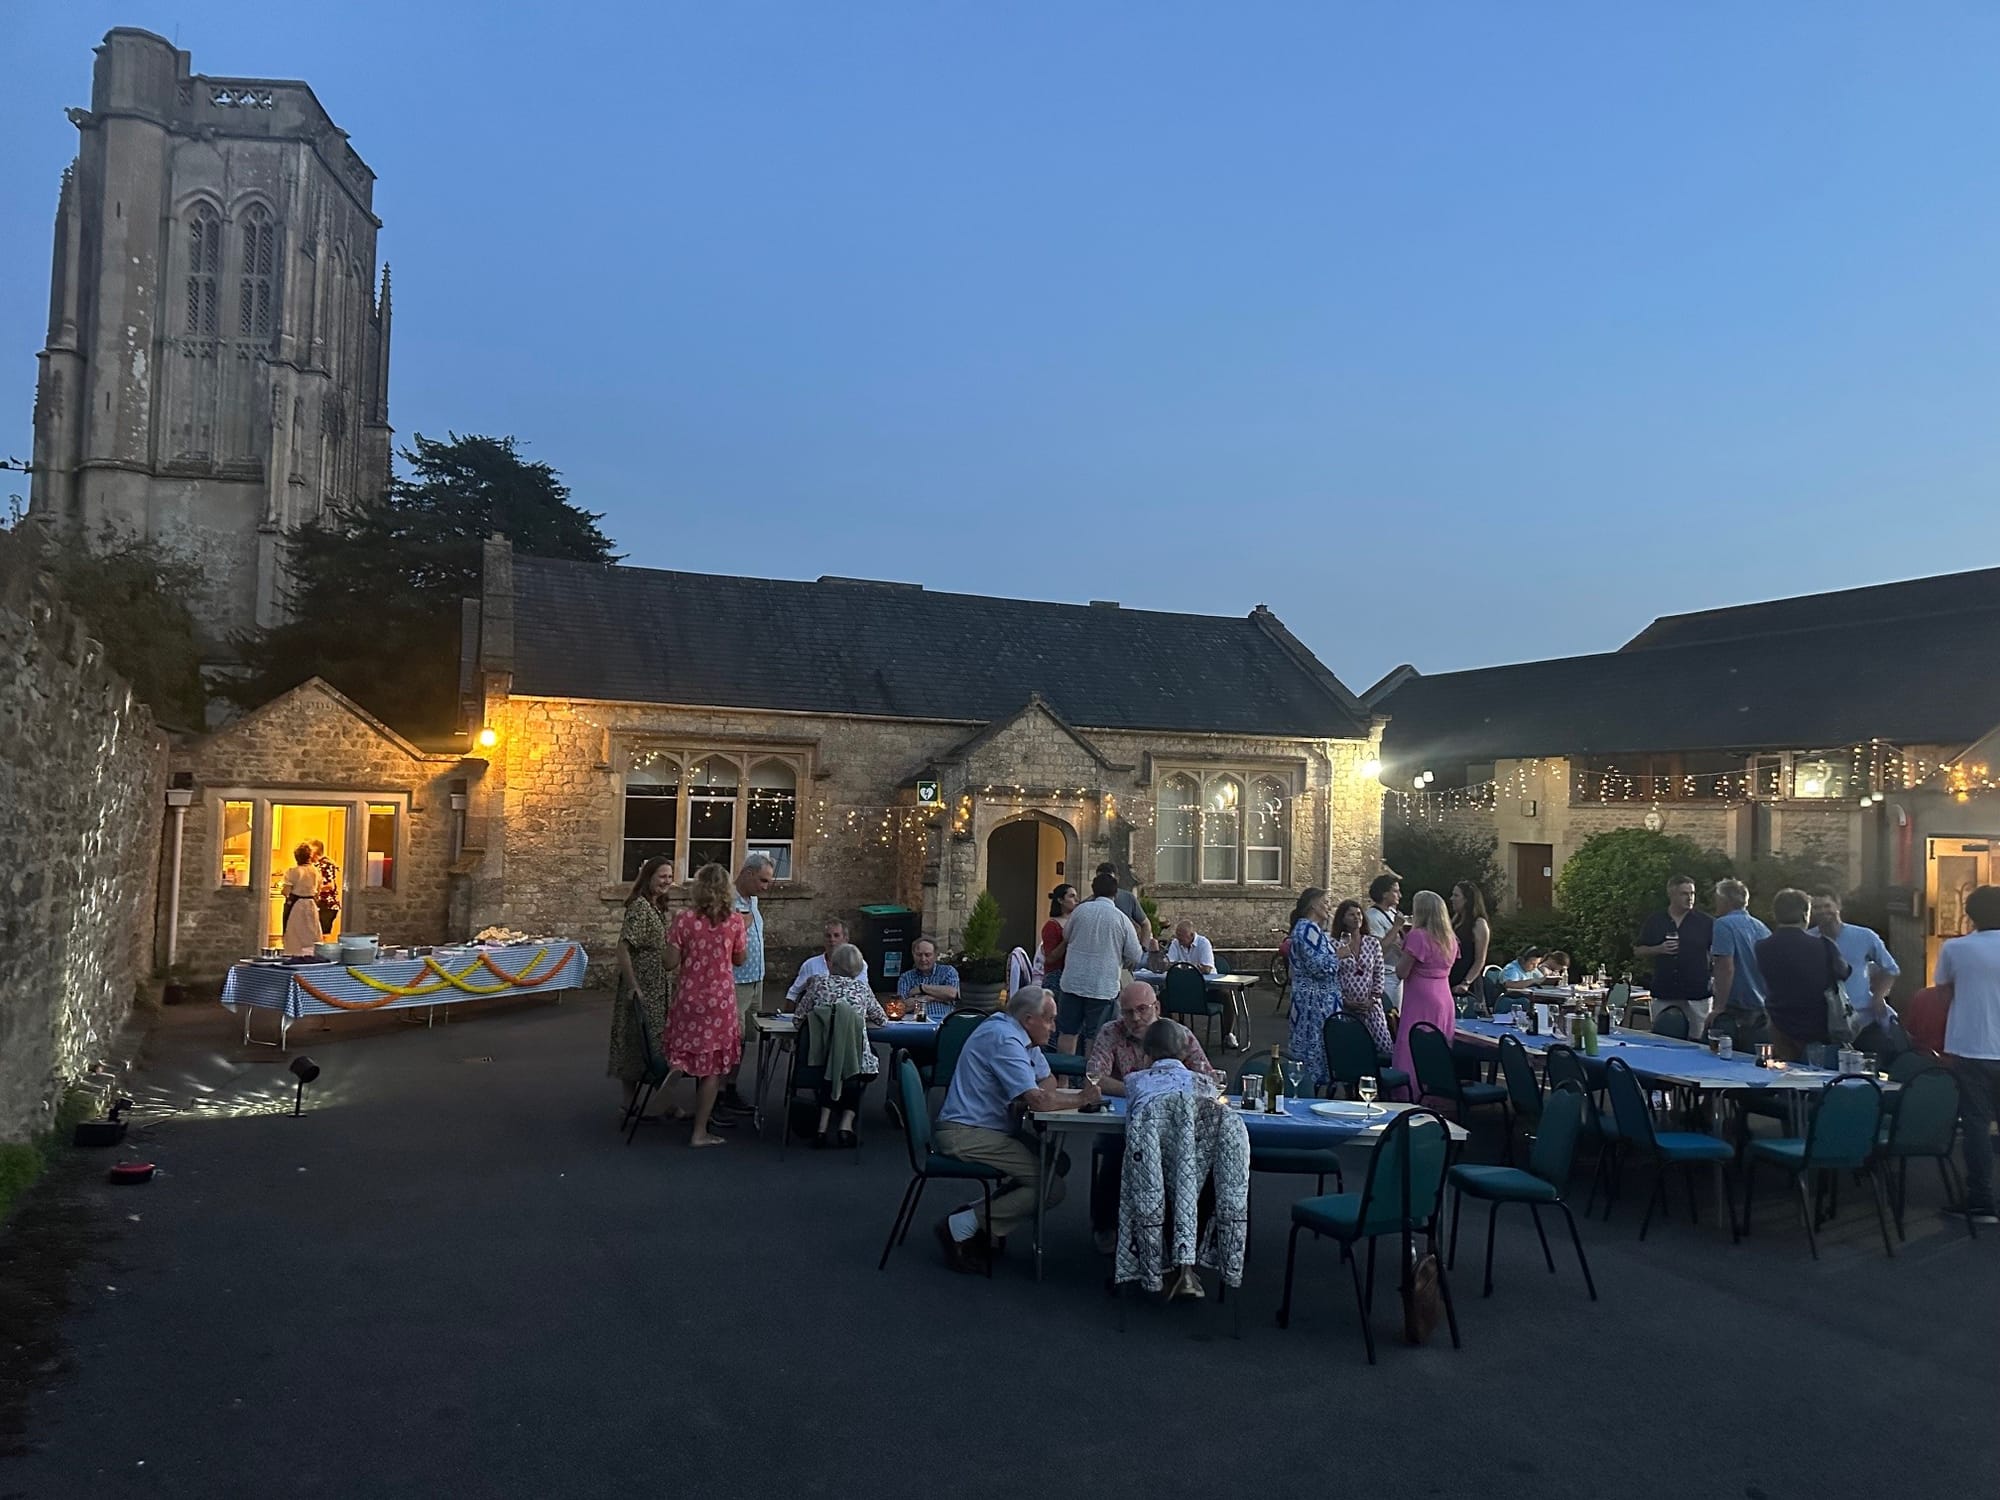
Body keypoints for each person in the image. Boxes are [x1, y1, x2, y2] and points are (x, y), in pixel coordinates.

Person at [934, 987, 1100, 1273]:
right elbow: (1039, 1099)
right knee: (1052, 1188)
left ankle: (976, 1215)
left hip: (987, 1129)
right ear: (1028, 1019)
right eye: (1049, 1020)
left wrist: (1033, 1096)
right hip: (967, 1132)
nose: (1054, 1027)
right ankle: (962, 1225)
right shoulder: (1004, 1039)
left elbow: (1045, 1082)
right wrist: (1081, 1099)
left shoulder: (1023, 1038)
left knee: (1058, 1162)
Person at [1084, 981, 1216, 1250]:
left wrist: (1147, 1090)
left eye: (1142, 1010)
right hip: (1124, 1123)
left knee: (1206, 1160)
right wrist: (1146, 1090)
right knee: (1117, 1150)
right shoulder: (1111, 1032)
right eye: (1128, 1012)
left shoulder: (1178, 1034)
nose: (1135, 1018)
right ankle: (1106, 1226)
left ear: (1157, 1007)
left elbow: (1208, 1079)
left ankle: (1197, 1237)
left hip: (1173, 1125)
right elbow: (1094, 1079)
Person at [663, 863, 749, 1147]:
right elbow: (739, 959)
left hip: (689, 995)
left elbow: (669, 963)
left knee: (687, 1046)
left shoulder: (684, 919)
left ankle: (678, 1066)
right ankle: (700, 1131)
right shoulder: (735, 921)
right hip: (720, 999)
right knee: (712, 1067)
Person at [1937, 884, 2000, 1225]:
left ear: (1969, 914)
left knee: (1976, 1124)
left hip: (1971, 1044)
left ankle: (1981, 1201)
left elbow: (1944, 991)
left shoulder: (1956, 949)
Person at [791, 942, 887, 1148]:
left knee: (832, 1064)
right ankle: (846, 1125)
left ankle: (822, 1127)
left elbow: (798, 1017)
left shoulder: (817, 984)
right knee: (856, 1062)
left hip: (816, 1059)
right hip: (853, 1063)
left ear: (832, 964)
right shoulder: (862, 989)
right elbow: (882, 1019)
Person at [609, 855, 675, 1118]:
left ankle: (635, 1103)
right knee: (643, 1043)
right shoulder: (639, 907)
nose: (667, 882)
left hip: (658, 986)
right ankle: (659, 1103)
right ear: (649, 877)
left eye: (670, 877)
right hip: (643, 987)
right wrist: (633, 985)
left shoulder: (655, 907)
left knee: (646, 1043)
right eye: (662, 876)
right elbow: (623, 947)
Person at [1755, 888, 1849, 1062]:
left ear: (1776, 915)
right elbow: (1843, 972)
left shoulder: (1762, 947)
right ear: (1805, 914)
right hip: (1818, 1026)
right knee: (1816, 1077)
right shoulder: (1824, 946)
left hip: (1779, 1023)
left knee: (1783, 1078)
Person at [1055, 871, 1143, 1055]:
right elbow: (1135, 954)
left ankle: (1063, 1078)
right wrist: (1123, 961)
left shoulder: (1079, 911)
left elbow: (1066, 936)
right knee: (1095, 1037)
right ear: (1115, 893)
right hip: (1102, 986)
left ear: (1093, 891)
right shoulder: (1121, 919)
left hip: (1073, 981)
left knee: (1067, 1033)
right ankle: (1091, 1078)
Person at [1384, 890, 1457, 1095]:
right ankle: (1436, 1092)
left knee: (1412, 1042)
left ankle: (1410, 1093)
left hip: (1421, 996)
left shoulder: (1418, 936)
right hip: (1443, 994)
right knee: (1437, 1045)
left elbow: (1402, 971)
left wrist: (1402, 954)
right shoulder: (1450, 938)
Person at [721, 854, 776, 1114]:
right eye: (763, 880)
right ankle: (718, 1091)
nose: (765, 887)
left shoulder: (751, 900)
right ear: (748, 873)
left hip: (755, 978)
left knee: (743, 1039)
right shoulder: (727, 900)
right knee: (730, 1037)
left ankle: (729, 1087)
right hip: (735, 980)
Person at [1811, 891, 1901, 1050]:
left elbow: (1891, 969)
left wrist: (1879, 996)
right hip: (1825, 1023)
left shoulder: (1864, 936)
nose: (1823, 911)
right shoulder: (1809, 940)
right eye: (1817, 907)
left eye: (1827, 906)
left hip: (1863, 1020)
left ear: (1838, 906)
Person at [1634, 875, 1716, 1031]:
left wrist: (1714, 977)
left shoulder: (1706, 922)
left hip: (1697, 992)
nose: (1690, 898)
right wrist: (1658, 949)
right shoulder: (1656, 920)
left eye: (1692, 893)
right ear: (1671, 894)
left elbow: (1718, 953)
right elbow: (1638, 950)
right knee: (1663, 1036)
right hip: (1665, 990)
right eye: (1684, 894)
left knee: (1698, 1039)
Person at [1285, 888, 1343, 1086]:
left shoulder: (1310, 929)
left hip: (1315, 1001)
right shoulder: (1307, 929)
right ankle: (1309, 1089)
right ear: (1313, 904)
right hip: (1314, 1004)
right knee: (1313, 1049)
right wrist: (1339, 956)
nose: (1329, 906)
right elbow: (1319, 967)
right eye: (1325, 902)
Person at [1707, 878, 1770, 1042]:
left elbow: (1725, 967)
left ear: (1724, 900)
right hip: (1761, 1007)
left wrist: (1718, 1007)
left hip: (1734, 1008)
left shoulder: (1723, 925)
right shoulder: (1762, 928)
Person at [1162, 917, 1238, 1049]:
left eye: (1181, 937)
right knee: (1162, 997)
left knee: (1226, 995)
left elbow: (1207, 968)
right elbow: (1168, 964)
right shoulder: (1176, 943)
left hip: (1207, 990)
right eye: (1177, 936)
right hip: (1183, 989)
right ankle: (1171, 1035)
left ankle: (1228, 1034)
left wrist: (1184, 967)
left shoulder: (1204, 943)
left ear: (1191, 935)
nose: (1179, 940)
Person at [1331, 898, 1392, 1061]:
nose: (1357, 917)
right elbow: (1332, 976)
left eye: (1359, 914)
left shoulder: (1372, 943)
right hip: (1346, 1007)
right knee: (1352, 1051)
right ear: (1342, 919)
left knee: (1384, 1047)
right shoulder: (1335, 945)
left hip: (1370, 1006)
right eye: (1351, 915)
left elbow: (1379, 973)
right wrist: (1344, 1001)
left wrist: (1373, 998)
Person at [783, 917, 870, 1009]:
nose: (832, 940)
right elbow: (793, 993)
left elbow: (864, 993)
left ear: (846, 939)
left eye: (836, 935)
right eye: (828, 936)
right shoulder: (810, 965)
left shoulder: (858, 964)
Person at [1365, 873, 1404, 1019]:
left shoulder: (1393, 912)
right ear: (1384, 894)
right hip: (1385, 975)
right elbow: (1378, 950)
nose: (1399, 895)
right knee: (1389, 1017)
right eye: (1395, 891)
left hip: (1397, 972)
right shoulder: (1373, 916)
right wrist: (1396, 928)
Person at [1041, 882, 1078, 1019]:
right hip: (1055, 976)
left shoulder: (1074, 920)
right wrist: (1066, 940)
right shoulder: (1052, 925)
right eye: (1071, 896)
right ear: (1061, 900)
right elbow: (1050, 957)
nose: (1075, 900)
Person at [1096, 860, 1154, 949]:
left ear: (1117, 879)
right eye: (1100, 879)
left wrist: (1143, 949)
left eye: (1109, 879)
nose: (1105, 883)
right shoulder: (1089, 903)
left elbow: (1146, 924)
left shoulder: (1128, 898)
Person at [1448, 881, 1491, 1000]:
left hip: (1467, 981)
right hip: (1450, 978)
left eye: (1456, 895)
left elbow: (1480, 959)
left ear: (1467, 899)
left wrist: (1466, 982)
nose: (1452, 899)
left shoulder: (1479, 924)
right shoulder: (1455, 920)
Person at [280, 844, 321, 955]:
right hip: (311, 903)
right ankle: (311, 955)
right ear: (309, 856)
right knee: (311, 932)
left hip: (296, 905)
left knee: (295, 933)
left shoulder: (293, 871)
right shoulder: (316, 871)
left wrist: (283, 891)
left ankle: (294, 954)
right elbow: (318, 890)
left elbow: (286, 891)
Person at [896, 937, 960, 1007]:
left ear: (935, 955)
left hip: (943, 1017)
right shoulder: (906, 977)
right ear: (913, 955)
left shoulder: (948, 971)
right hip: (914, 1017)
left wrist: (922, 988)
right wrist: (929, 997)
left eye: (927, 955)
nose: (923, 959)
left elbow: (952, 994)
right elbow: (902, 1007)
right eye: (919, 955)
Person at [308, 838, 340, 936]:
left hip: (326, 906)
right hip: (320, 905)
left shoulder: (325, 865)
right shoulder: (317, 865)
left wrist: (312, 889)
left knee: (322, 935)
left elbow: (330, 885)